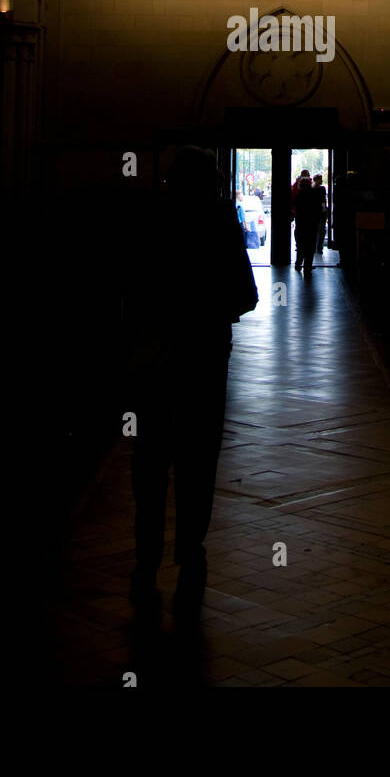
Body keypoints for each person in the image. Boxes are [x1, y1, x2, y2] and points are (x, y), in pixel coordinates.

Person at [125, 147, 258, 613]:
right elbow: (246, 294)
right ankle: (190, 554)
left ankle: (146, 559)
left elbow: (128, 290)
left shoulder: (148, 220)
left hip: (154, 361)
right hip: (203, 360)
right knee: (198, 462)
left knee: (149, 465)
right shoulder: (219, 221)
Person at [293, 175, 321, 275]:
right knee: (310, 246)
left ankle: (298, 264)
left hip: (300, 224)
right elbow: (318, 210)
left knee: (300, 246)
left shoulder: (298, 196)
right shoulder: (314, 195)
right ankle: (307, 266)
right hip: (311, 225)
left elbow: (295, 209)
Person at [312, 173, 328, 255]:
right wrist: (324, 208)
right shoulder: (322, 189)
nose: (321, 181)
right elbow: (323, 200)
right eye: (320, 179)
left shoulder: (311, 189)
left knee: (315, 230)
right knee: (321, 230)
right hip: (321, 211)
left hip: (314, 212)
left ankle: (315, 247)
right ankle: (319, 248)